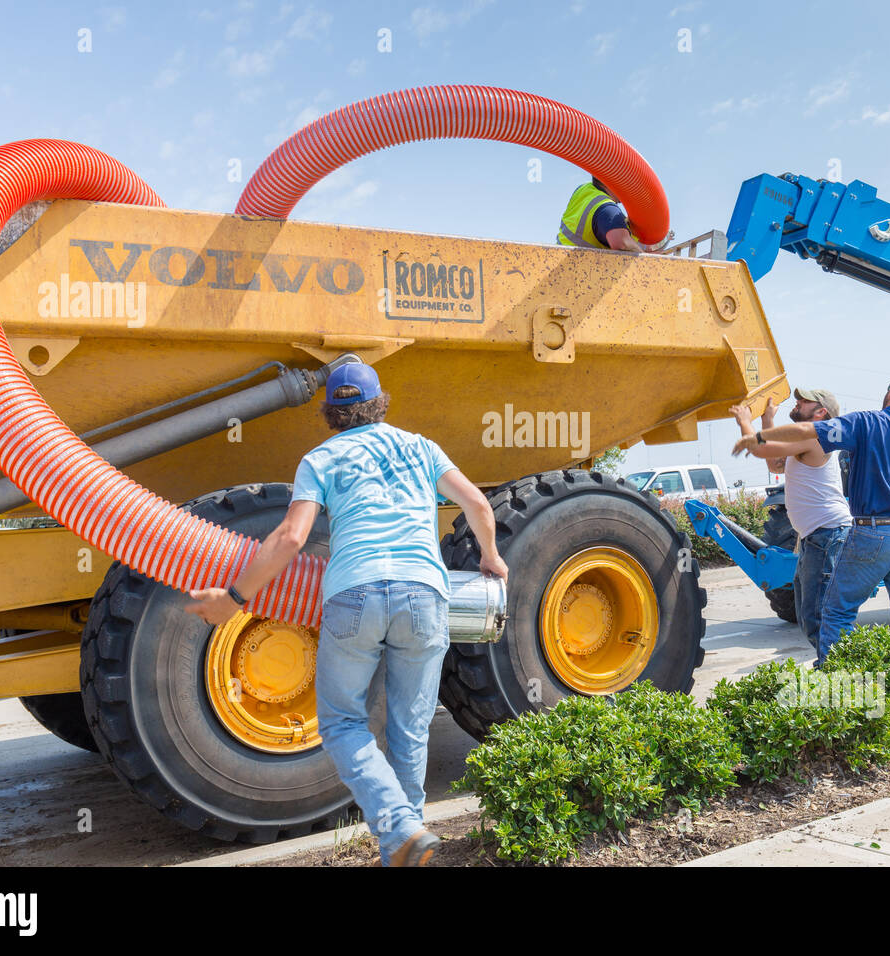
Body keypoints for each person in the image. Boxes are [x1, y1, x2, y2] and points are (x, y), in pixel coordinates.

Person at [185, 361, 507, 866]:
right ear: (381, 402)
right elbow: (478, 506)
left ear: (331, 412)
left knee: (340, 724)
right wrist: (490, 557)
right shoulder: (421, 447)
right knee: (409, 728)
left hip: (354, 595)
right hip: (424, 596)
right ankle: (404, 842)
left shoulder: (320, 458)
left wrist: (234, 598)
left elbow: (291, 538)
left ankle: (399, 831)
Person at [734, 371, 890, 663]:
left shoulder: (866, 423)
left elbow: (805, 433)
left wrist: (756, 432)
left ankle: (840, 686)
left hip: (868, 535)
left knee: (835, 613)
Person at [731, 387, 851, 651]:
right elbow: (775, 464)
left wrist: (744, 421)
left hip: (826, 533)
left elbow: (760, 449)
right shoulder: (807, 440)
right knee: (810, 614)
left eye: (804, 400)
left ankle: (837, 666)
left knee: (818, 616)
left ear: (821, 412)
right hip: (817, 535)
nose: (797, 402)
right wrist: (766, 420)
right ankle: (834, 661)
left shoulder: (814, 438)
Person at [555, 177, 671, 251]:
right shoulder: (607, 209)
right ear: (611, 181)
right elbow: (622, 244)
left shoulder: (583, 189)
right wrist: (648, 262)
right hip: (580, 277)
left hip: (558, 261)